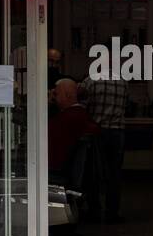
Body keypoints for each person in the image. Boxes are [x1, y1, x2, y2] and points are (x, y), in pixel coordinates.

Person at [82, 75, 129, 221]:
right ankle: (112, 212)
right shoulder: (123, 81)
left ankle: (94, 210)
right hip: (117, 131)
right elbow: (126, 105)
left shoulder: (90, 81)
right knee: (114, 174)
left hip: (97, 131)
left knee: (93, 172)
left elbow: (83, 106)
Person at [48, 77, 99, 174]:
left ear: (67, 95)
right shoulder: (83, 116)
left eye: (56, 94)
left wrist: (48, 106)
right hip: (78, 172)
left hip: (60, 171)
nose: (53, 98)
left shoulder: (62, 120)